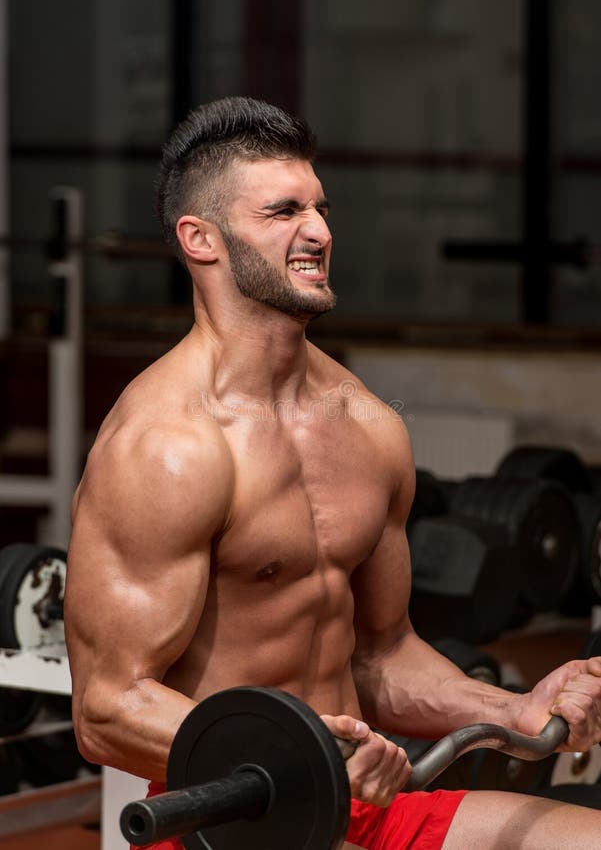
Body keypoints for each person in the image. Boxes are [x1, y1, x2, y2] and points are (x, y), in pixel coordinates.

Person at [64, 96, 601, 850]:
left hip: (360, 803)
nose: (318, 231)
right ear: (200, 239)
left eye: (319, 208)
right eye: (283, 212)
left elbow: (381, 655)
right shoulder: (166, 448)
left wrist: (510, 710)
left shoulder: (368, 426)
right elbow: (105, 710)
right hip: (232, 818)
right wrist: (305, 757)